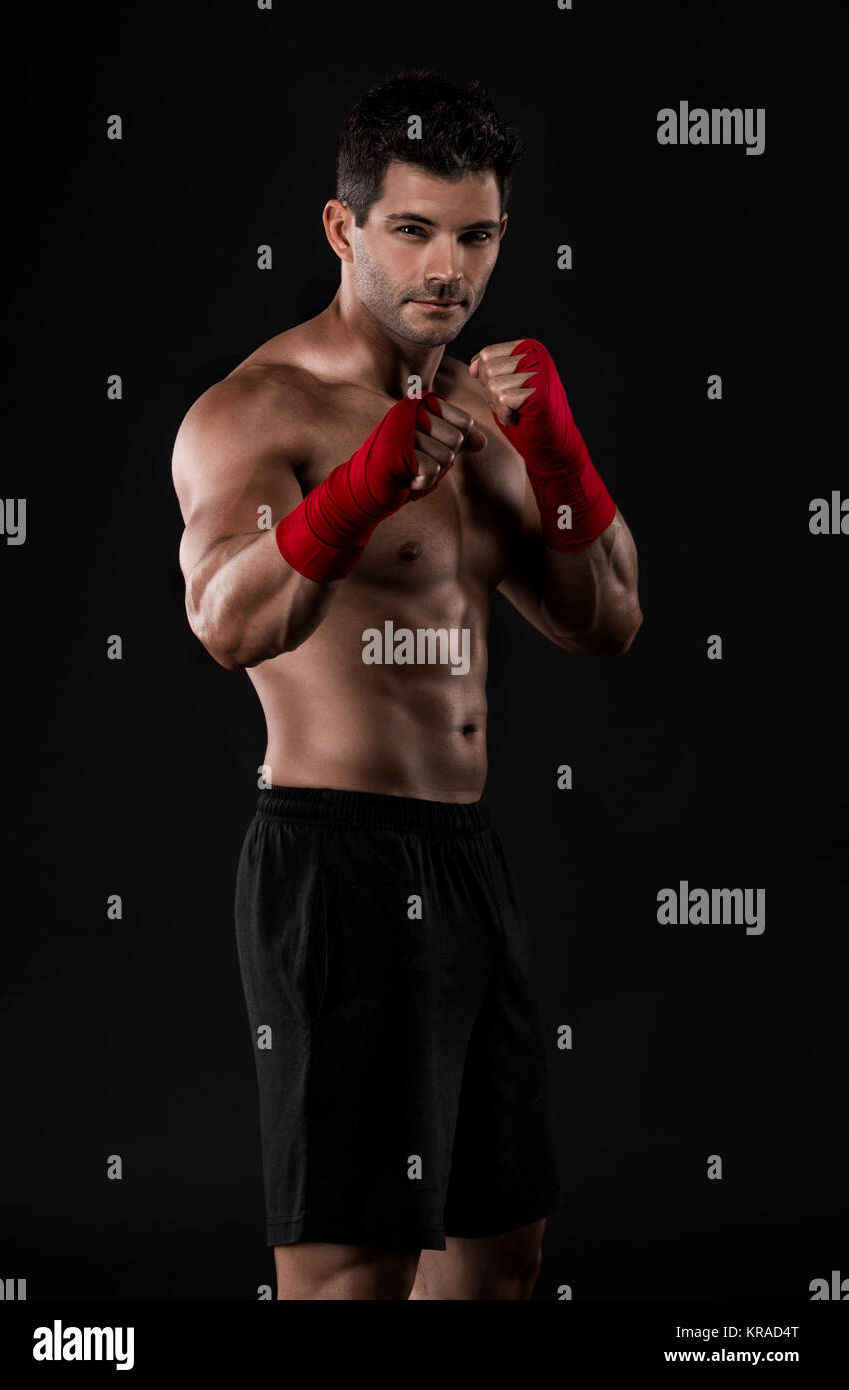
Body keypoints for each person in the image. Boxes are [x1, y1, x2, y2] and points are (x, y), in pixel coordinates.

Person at [171, 69, 642, 1300]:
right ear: (343, 229)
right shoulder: (253, 410)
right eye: (413, 230)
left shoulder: (487, 411)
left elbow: (609, 620)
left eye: (475, 235)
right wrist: (359, 489)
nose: (448, 269)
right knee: (347, 1276)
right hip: (336, 864)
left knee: (497, 1262)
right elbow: (225, 622)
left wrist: (558, 460)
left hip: (467, 860)